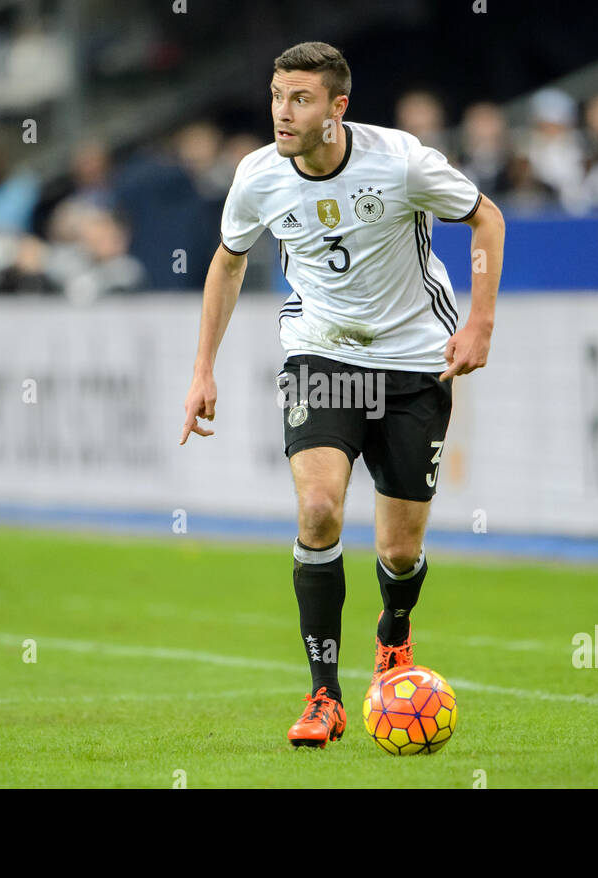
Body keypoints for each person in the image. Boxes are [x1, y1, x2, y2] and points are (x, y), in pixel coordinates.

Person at [179, 42, 505, 748]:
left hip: (416, 363)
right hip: (321, 355)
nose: (283, 113)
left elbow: (487, 218)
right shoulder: (258, 175)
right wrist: (203, 368)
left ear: (337, 107)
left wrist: (479, 321)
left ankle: (393, 635)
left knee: (397, 548)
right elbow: (228, 264)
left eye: (300, 100)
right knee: (320, 507)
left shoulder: (402, 161)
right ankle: (323, 694)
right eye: (276, 97)